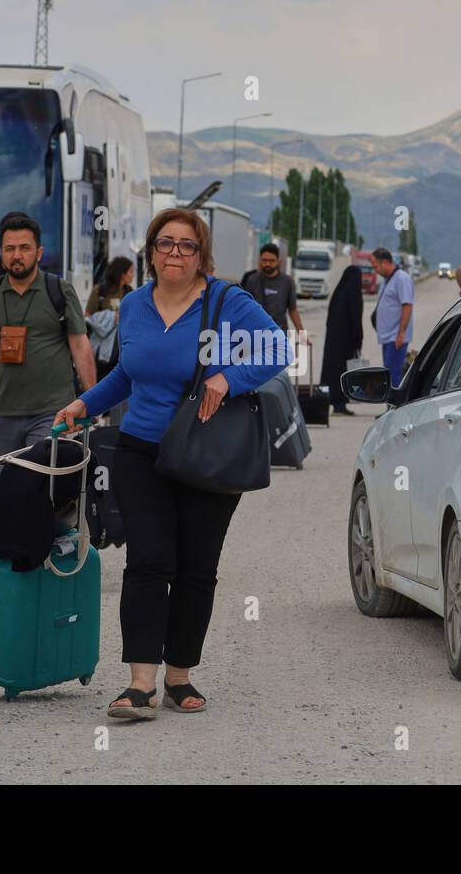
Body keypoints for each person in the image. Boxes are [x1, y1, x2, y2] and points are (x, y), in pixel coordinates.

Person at [54, 208, 288, 719]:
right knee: (147, 561)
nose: (175, 253)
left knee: (196, 568)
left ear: (202, 254)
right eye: (165, 244)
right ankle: (141, 683)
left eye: (186, 245)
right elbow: (125, 375)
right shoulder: (134, 306)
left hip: (207, 452)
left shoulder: (228, 302)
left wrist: (230, 378)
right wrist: (84, 404)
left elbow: (279, 347)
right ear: (150, 252)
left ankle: (180, 674)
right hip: (141, 451)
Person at [0, 214, 96, 456]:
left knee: (39, 480)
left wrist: (92, 399)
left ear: (39, 253)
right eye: (10, 249)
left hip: (53, 411)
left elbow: (80, 345)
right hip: (5, 412)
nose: (17, 255)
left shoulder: (59, 291)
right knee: (5, 484)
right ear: (2, 253)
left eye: (24, 248)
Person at [321, 265, 364, 416]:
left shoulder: (339, 292)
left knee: (332, 371)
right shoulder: (354, 293)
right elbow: (355, 319)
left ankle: (333, 402)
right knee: (343, 372)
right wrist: (358, 339)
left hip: (333, 340)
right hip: (346, 342)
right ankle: (340, 404)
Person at [241, 244, 306, 340]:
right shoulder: (252, 280)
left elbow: (293, 310)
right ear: (259, 260)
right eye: (264, 260)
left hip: (280, 334)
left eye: (271, 261)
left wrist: (302, 335)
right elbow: (245, 309)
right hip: (256, 335)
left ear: (278, 261)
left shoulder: (287, 281)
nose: (267, 264)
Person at [86, 256, 134, 382]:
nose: (133, 275)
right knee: (101, 379)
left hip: (120, 345)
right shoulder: (100, 291)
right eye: (131, 272)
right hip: (100, 344)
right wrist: (110, 317)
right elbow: (88, 316)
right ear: (122, 274)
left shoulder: (129, 292)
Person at [371, 247, 415, 387]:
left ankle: (395, 406)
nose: (375, 270)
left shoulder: (401, 278)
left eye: (376, 266)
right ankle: (391, 405)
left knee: (392, 375)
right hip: (387, 337)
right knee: (388, 374)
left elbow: (407, 305)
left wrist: (401, 333)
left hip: (395, 337)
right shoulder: (386, 280)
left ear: (384, 262)